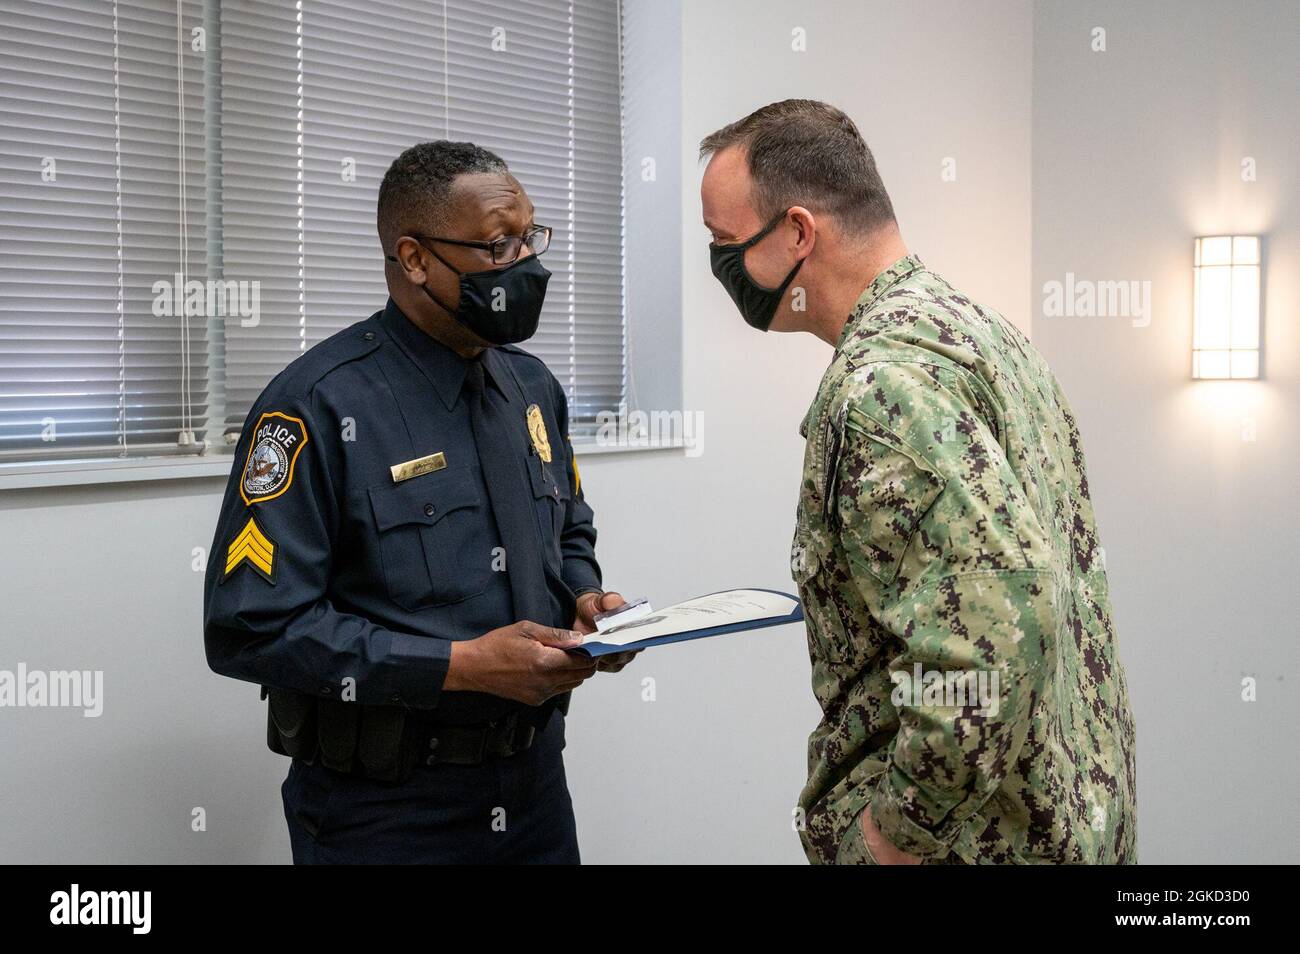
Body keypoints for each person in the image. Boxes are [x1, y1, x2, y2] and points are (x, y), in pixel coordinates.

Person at [698, 99, 1137, 864]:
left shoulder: (881, 390)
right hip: (1069, 819)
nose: (719, 267)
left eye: (725, 242)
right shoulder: (981, 333)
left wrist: (898, 833)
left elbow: (995, 630)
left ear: (798, 232)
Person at [203, 140, 636, 864]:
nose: (526, 263)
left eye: (530, 237)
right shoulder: (315, 407)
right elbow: (251, 629)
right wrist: (461, 665)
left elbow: (571, 532)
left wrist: (587, 603)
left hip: (533, 789)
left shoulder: (531, 390)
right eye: (499, 246)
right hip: (385, 813)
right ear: (414, 259)